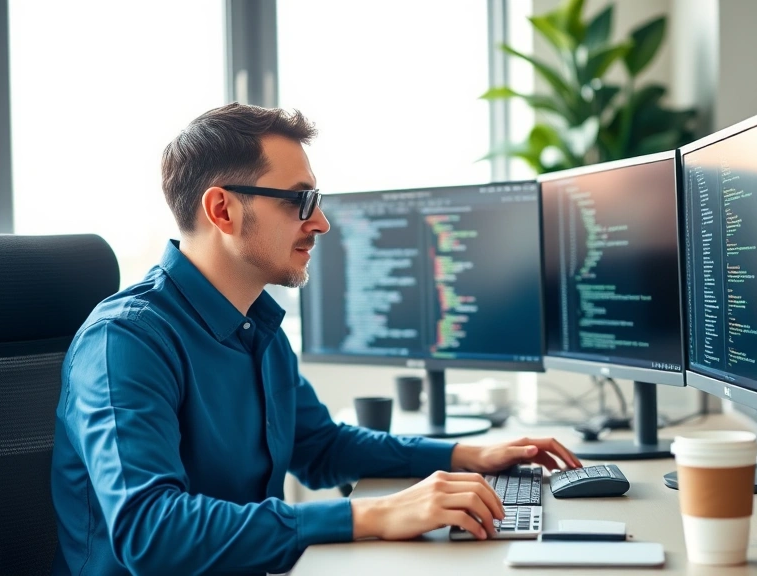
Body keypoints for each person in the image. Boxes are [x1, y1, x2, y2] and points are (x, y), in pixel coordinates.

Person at [50, 102, 582, 575]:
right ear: (222, 210)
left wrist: (464, 455)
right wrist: (373, 514)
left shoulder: (255, 325)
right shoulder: (125, 341)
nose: (322, 222)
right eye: (299, 201)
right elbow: (151, 533)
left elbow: (320, 447)